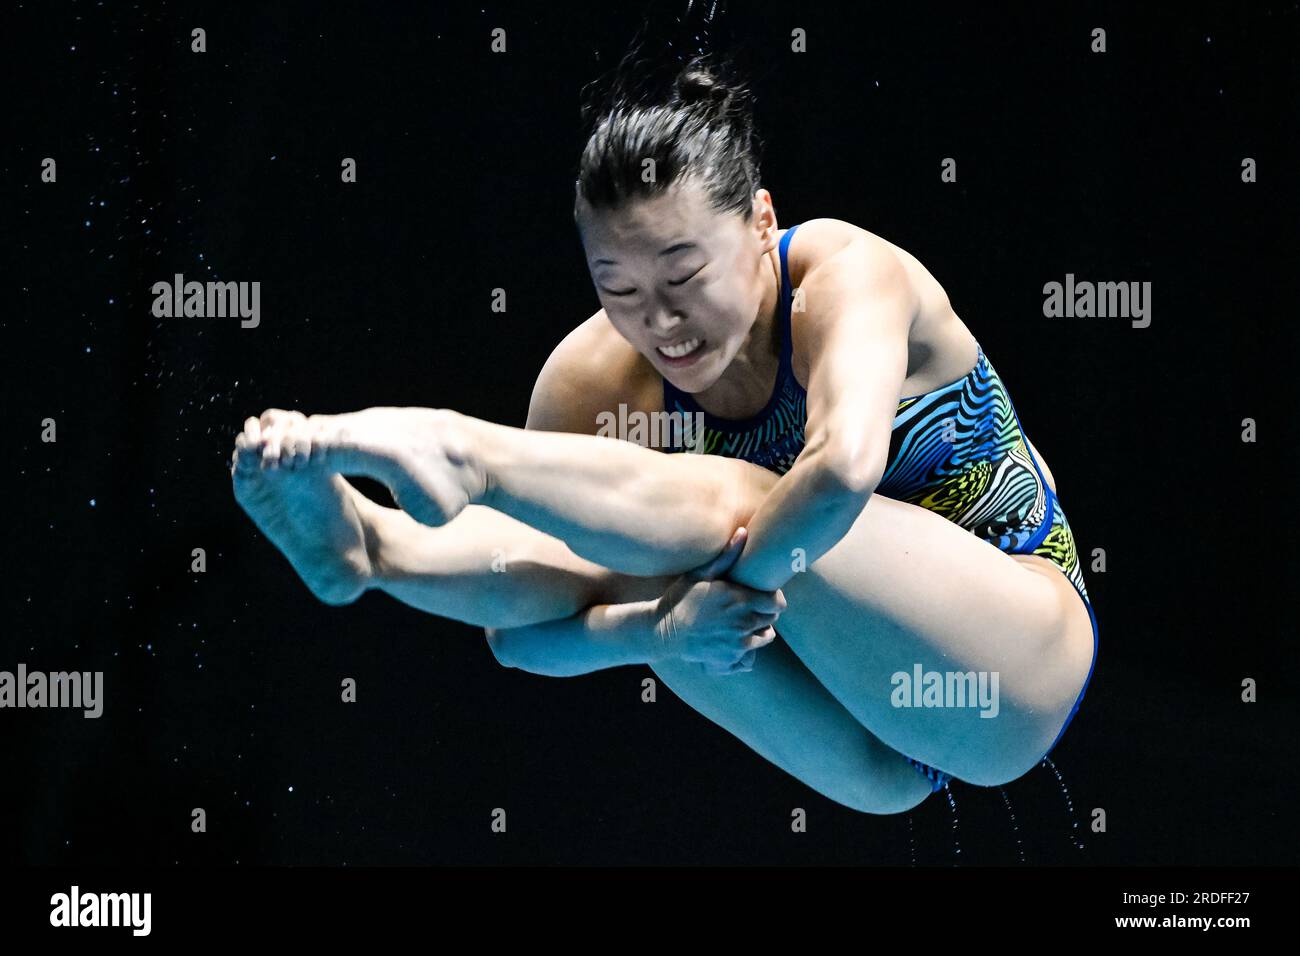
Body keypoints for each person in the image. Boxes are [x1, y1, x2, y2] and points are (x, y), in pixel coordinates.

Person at [230, 55, 1097, 815]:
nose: (663, 322)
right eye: (620, 288)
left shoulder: (845, 279)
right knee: (633, 566)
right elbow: (521, 636)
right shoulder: (596, 379)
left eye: (684, 273)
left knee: (736, 507)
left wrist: (700, 582)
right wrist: (655, 633)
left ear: (762, 224)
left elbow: (840, 473)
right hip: (869, 760)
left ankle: (465, 452)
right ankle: (371, 552)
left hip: (1014, 668)